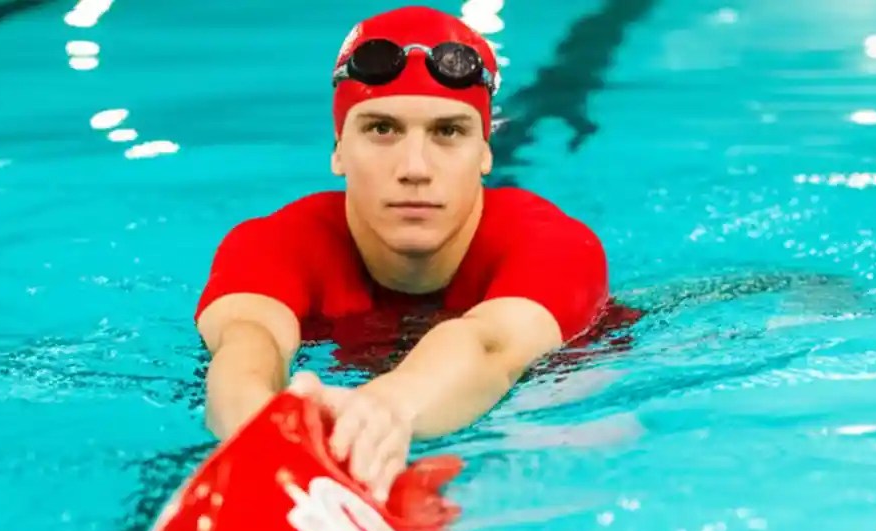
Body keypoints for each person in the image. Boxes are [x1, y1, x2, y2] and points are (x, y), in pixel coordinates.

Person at [193, 5, 615, 501]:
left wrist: (383, 409)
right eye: (381, 129)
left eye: (449, 132)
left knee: (593, 438)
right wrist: (265, 434)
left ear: (485, 153)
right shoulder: (272, 244)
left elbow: (489, 346)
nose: (415, 168)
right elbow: (248, 344)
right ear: (337, 149)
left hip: (540, 400)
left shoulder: (555, 246)